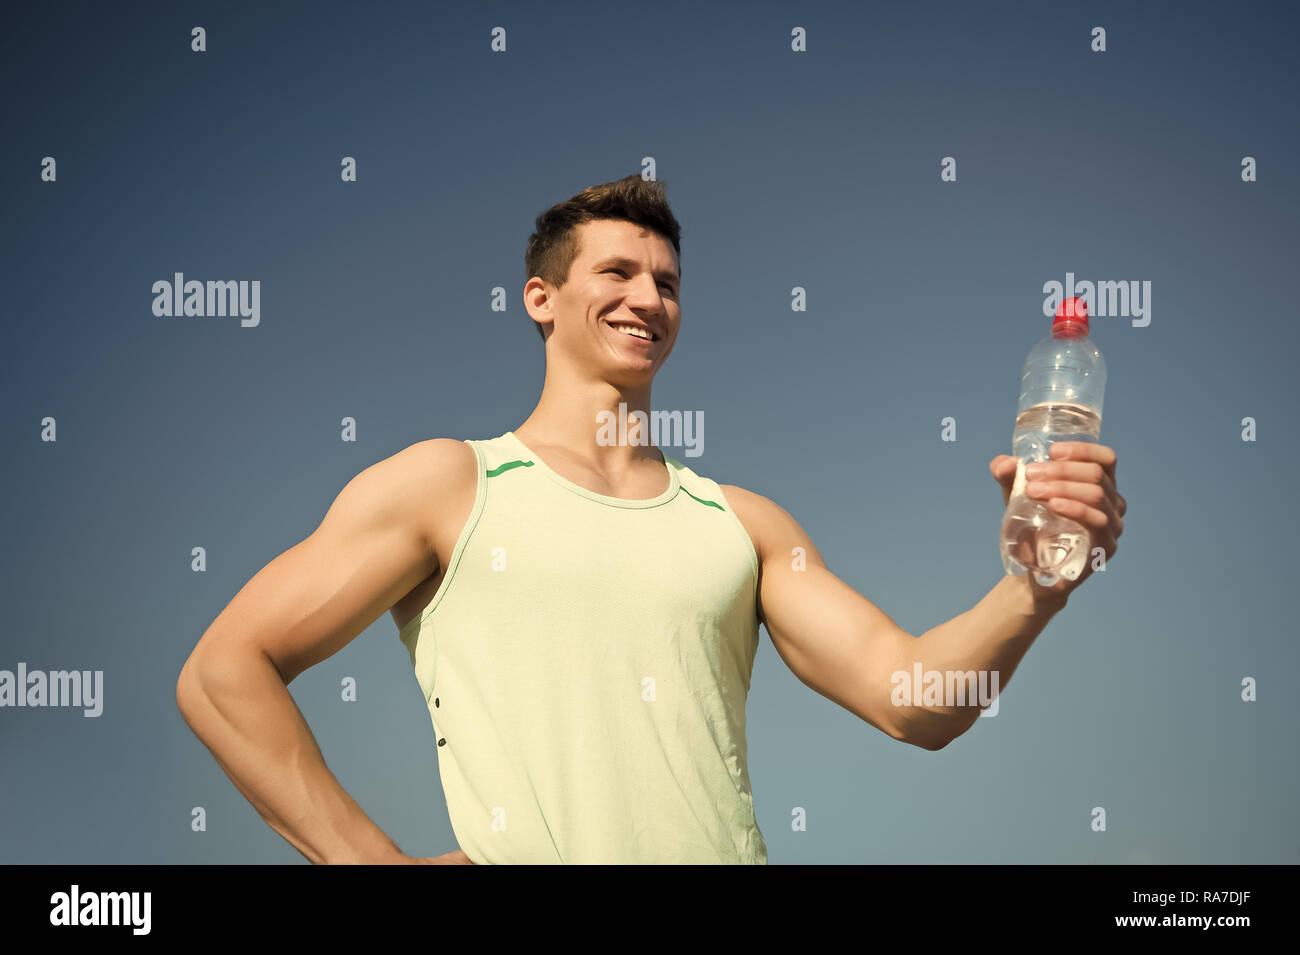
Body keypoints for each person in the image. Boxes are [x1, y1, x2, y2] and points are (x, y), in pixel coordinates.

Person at [176, 173, 1127, 865]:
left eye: (667, 282)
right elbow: (224, 672)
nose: (647, 298)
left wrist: (1032, 590)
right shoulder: (449, 485)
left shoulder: (743, 523)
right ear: (541, 299)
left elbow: (913, 701)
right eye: (618, 272)